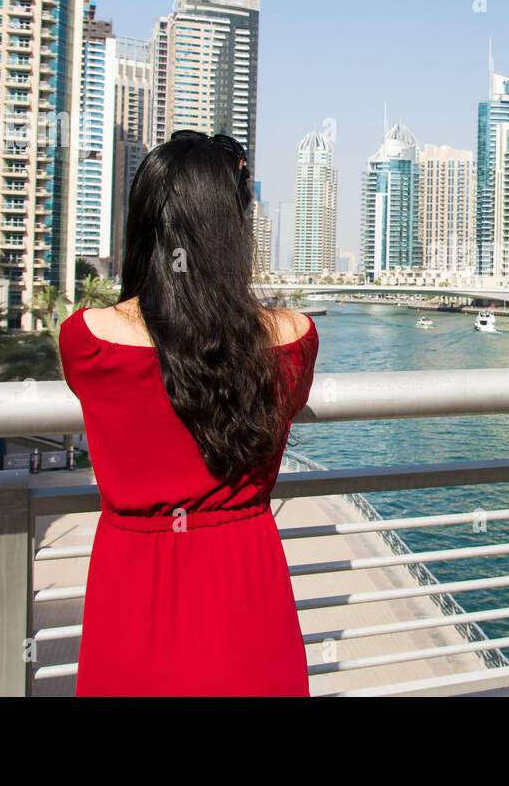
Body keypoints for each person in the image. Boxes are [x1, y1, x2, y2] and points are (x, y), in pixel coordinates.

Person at [57, 130, 317, 696]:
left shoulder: (87, 340)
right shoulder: (292, 338)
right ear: (233, 229)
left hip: (132, 589)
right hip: (247, 586)